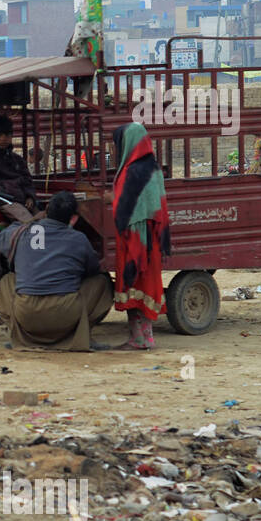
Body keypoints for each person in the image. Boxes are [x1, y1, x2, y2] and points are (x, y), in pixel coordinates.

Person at [0, 191, 113, 351]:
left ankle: (19, 334)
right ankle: (81, 334)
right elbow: (93, 270)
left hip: (27, 314)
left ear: (46, 211)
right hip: (65, 314)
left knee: (7, 280)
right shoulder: (78, 239)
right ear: (74, 218)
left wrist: (31, 222)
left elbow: (3, 238)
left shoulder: (22, 232)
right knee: (103, 281)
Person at [110, 122, 171, 350]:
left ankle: (139, 339)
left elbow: (122, 210)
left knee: (133, 284)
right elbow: (158, 208)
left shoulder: (130, 172)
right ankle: (147, 337)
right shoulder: (153, 169)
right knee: (145, 287)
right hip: (151, 243)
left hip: (133, 244)